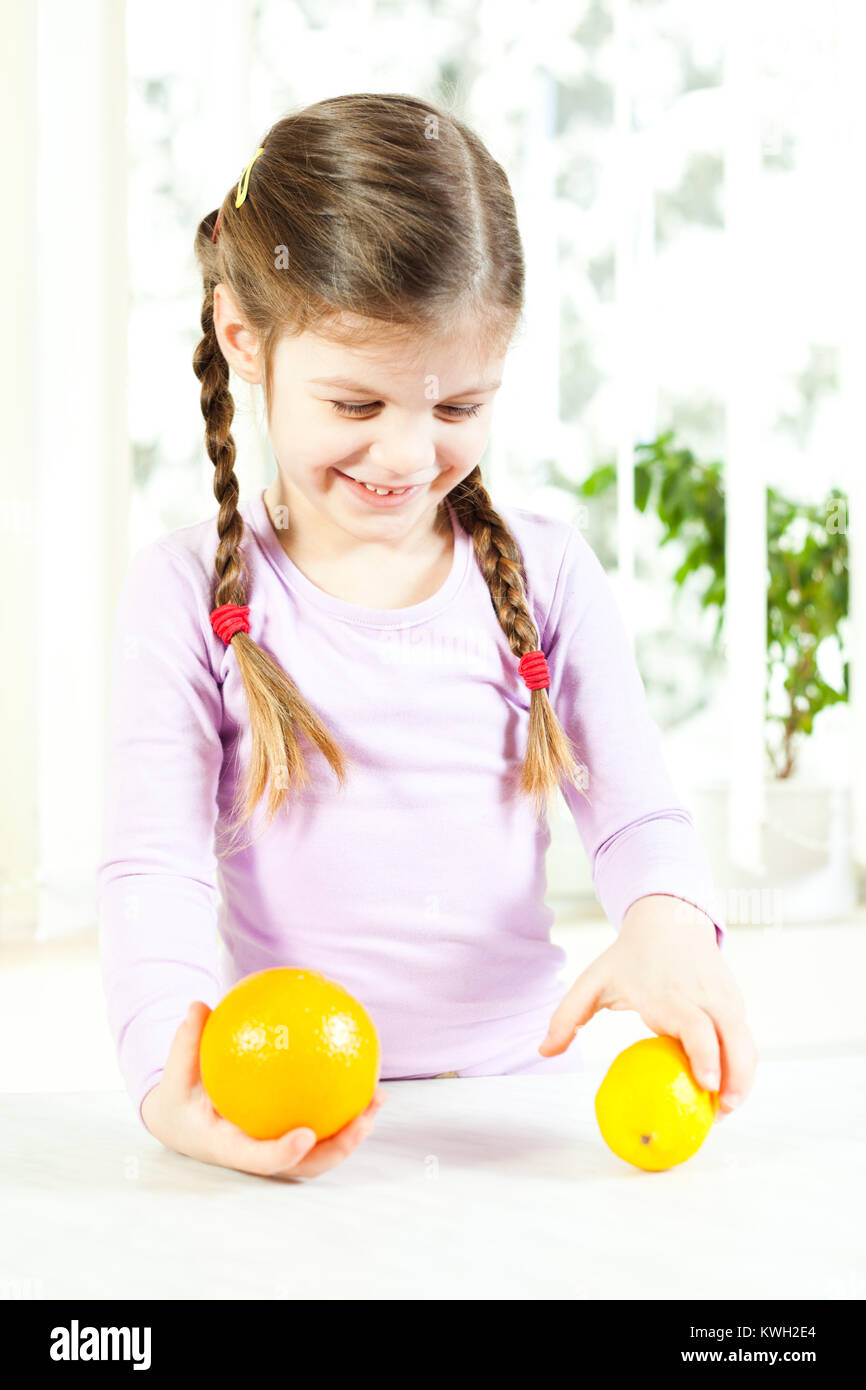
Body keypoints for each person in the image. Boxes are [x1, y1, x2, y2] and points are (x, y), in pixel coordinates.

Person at [97, 92, 756, 1181]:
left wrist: (669, 921)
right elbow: (150, 867)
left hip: (518, 1113)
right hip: (288, 1116)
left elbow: (633, 808)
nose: (405, 454)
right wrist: (167, 1078)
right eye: (356, 405)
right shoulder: (183, 594)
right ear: (241, 338)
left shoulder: (547, 574)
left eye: (456, 409)